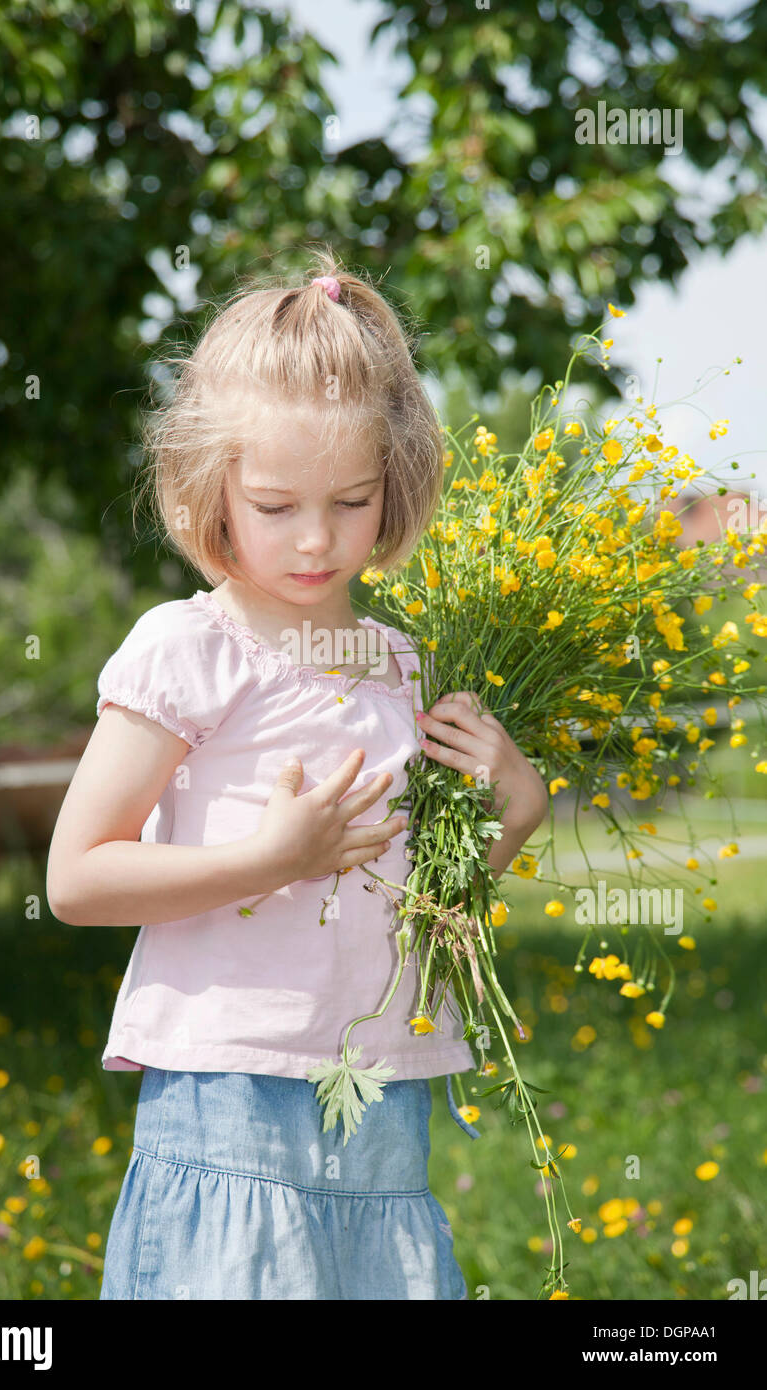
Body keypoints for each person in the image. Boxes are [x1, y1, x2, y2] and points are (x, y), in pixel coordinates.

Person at [46, 250, 547, 1300]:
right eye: (274, 505)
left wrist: (512, 812)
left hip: (375, 1095)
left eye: (350, 501)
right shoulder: (189, 649)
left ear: (391, 486)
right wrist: (267, 857)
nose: (316, 539)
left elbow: (424, 908)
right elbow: (78, 877)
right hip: (230, 1092)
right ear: (209, 489)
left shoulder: (401, 663)